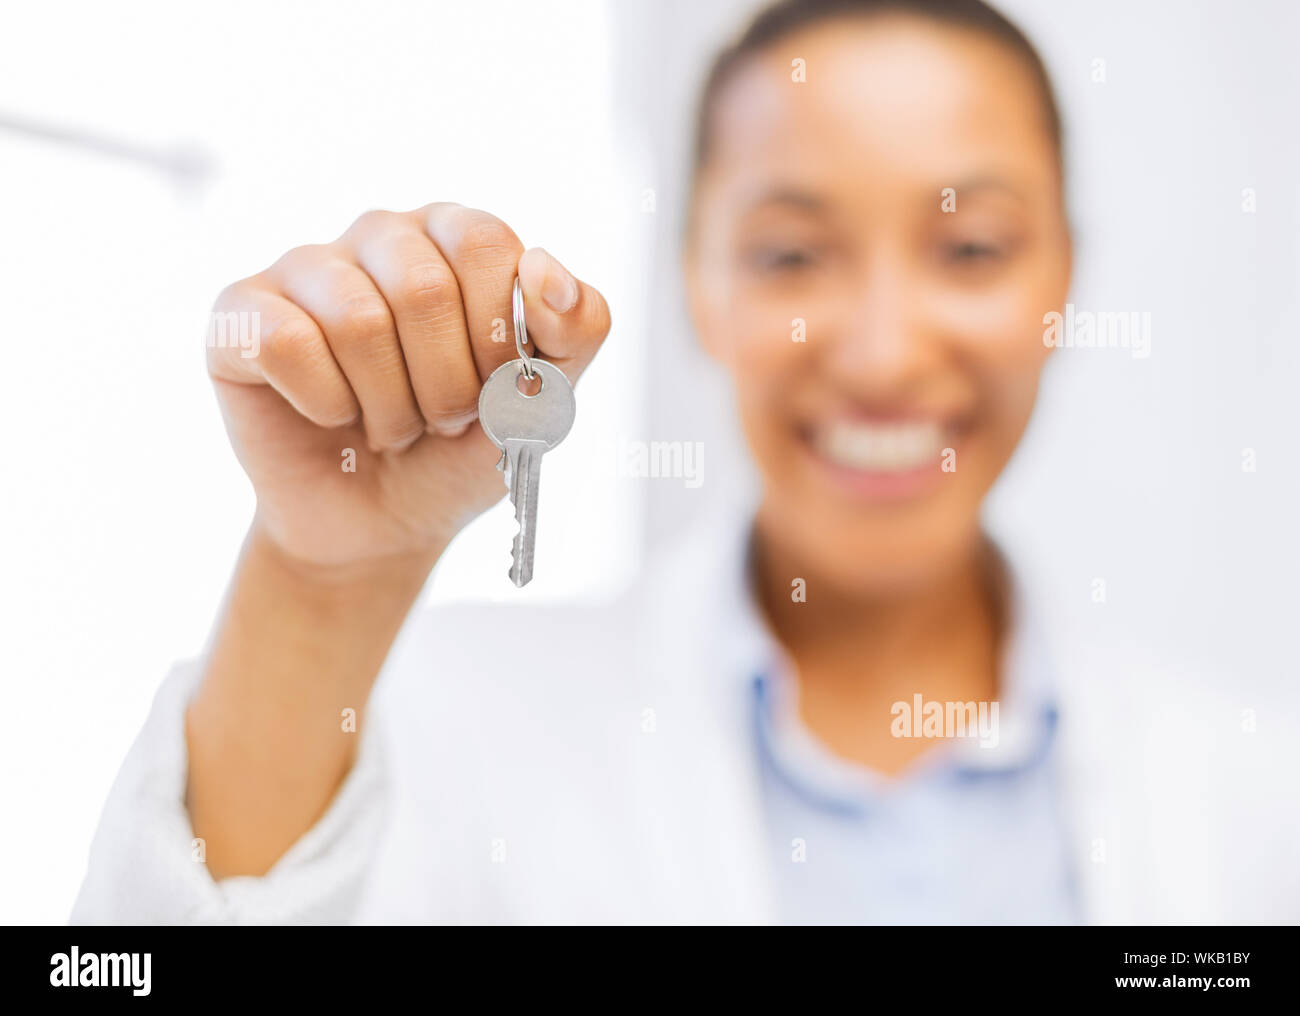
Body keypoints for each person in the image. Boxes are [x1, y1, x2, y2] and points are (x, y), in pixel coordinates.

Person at [72, 0, 1293, 924]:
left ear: (1063, 281)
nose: (877, 350)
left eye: (969, 248)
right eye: (789, 256)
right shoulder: (436, 724)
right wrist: (321, 581)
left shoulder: (1243, 791)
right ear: (694, 287)